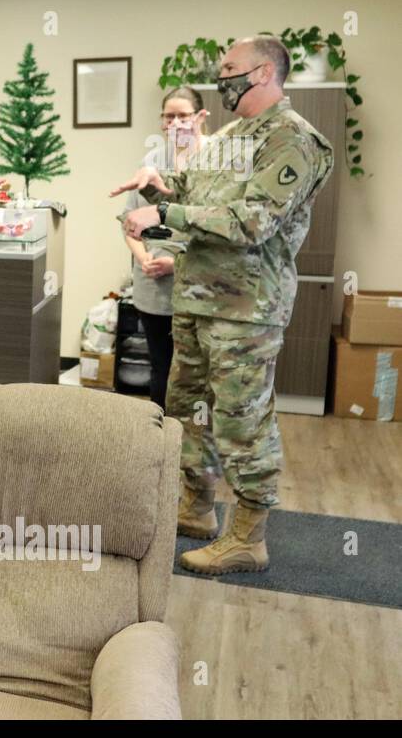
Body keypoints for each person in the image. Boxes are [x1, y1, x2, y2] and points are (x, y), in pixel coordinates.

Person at [113, 36, 334, 574]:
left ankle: (249, 536)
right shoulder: (231, 137)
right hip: (197, 301)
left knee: (243, 420)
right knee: (190, 413)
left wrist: (168, 219)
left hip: (246, 312)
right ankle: (197, 509)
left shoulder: (294, 140)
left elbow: (253, 221)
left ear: (263, 73)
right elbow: (190, 190)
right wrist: (156, 187)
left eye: (230, 68)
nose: (222, 77)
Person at [120, 87, 203, 408]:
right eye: (170, 116)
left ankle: (188, 443)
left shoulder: (213, 163)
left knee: (191, 372)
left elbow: (217, 227)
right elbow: (128, 222)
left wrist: (176, 264)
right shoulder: (150, 162)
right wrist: (143, 257)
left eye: (183, 116)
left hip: (195, 288)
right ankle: (160, 436)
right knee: (160, 363)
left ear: (199, 118)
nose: (176, 123)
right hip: (151, 285)